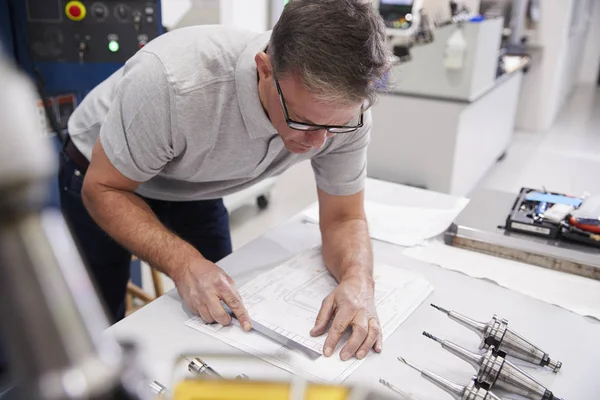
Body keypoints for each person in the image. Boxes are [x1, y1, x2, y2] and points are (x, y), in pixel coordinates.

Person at [59, 0, 392, 361]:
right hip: (104, 176)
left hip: (197, 179)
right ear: (264, 69)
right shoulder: (174, 83)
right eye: (302, 120)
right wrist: (183, 263)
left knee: (226, 308)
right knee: (97, 327)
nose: (318, 142)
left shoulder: (346, 112)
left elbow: (344, 217)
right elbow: (102, 188)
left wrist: (358, 279)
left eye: (335, 126)